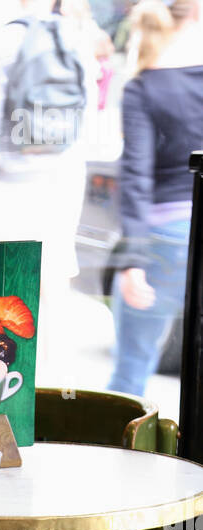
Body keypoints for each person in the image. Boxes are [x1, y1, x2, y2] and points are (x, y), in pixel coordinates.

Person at [0, 1, 98, 372]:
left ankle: (5, 390)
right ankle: (49, 389)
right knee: (50, 298)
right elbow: (84, 126)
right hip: (61, 187)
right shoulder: (77, 39)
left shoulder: (3, 41)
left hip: (9, 190)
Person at [109, 1, 203, 397]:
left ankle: (122, 450)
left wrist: (132, 261)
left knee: (131, 373)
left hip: (166, 237)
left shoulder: (144, 87)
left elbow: (135, 177)